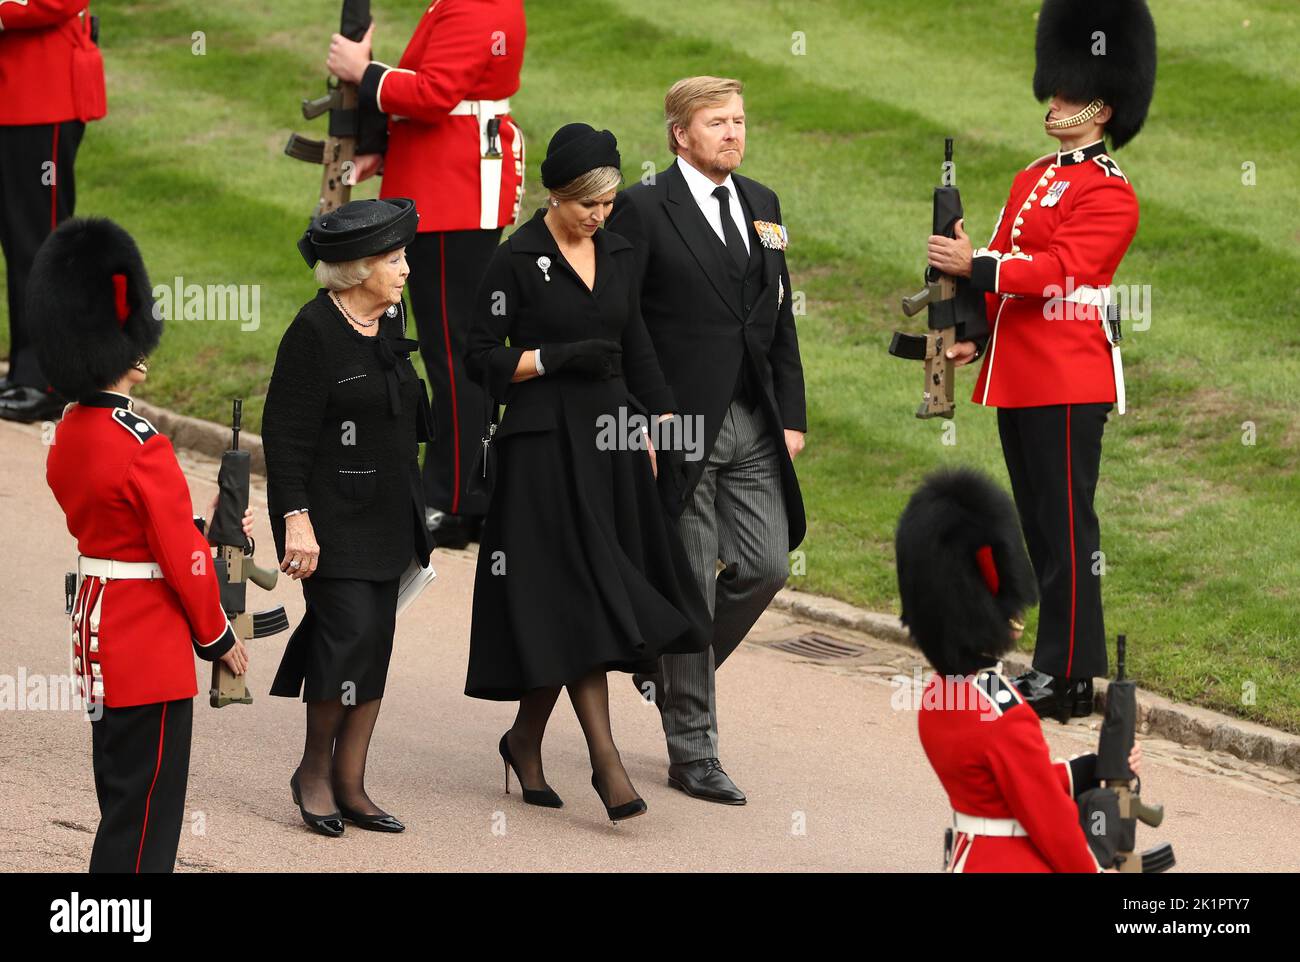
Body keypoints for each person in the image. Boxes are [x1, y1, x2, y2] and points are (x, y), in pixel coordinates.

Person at [463, 124, 710, 823]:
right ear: (556, 195)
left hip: (614, 443)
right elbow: (478, 356)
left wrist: (663, 422)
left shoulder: (621, 249)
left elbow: (638, 344)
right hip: (542, 449)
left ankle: (523, 739)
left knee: (589, 596)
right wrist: (549, 358)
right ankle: (608, 765)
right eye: (587, 206)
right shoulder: (516, 259)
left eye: (606, 204)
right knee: (579, 594)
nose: (599, 217)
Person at [926, 0, 1157, 720]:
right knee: (1040, 527)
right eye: (1052, 87)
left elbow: (1061, 272)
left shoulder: (1110, 193)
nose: (1054, 100)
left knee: (1067, 531)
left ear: (1103, 105)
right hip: (1021, 372)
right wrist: (976, 333)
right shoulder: (1033, 178)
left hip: (1067, 375)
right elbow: (1010, 268)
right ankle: (1056, 666)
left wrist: (979, 266)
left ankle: (1068, 676)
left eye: (1067, 91)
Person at [608, 76, 806, 804]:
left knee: (765, 565)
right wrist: (647, 416)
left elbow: (777, 318)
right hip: (679, 422)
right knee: (690, 580)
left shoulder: (762, 204)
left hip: (752, 417)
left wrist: (792, 415)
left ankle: (665, 660)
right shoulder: (642, 206)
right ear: (679, 134)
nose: (733, 132)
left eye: (739, 120)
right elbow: (625, 322)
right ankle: (694, 748)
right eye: (717, 122)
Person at [35, 217, 251, 872]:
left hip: (99, 635)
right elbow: (183, 566)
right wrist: (218, 637)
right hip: (147, 648)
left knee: (122, 802)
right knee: (145, 825)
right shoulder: (141, 444)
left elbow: (131, 527)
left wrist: (194, 520)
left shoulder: (70, 433)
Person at [326, 0, 527, 549]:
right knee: (456, 352)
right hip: (447, 187)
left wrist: (362, 71)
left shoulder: (474, 8)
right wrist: (381, 150)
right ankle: (470, 492)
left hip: (451, 197)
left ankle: (458, 501)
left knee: (456, 355)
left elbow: (434, 95)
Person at [263, 198, 434, 836]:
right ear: (357, 269)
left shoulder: (387, 320)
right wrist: (296, 519)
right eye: (394, 260)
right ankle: (313, 771)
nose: (406, 270)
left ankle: (353, 781)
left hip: (390, 515)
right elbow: (284, 435)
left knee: (374, 644)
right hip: (332, 520)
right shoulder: (314, 331)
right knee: (344, 640)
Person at [896, 468, 1143, 872]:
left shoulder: (938, 700)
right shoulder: (1003, 715)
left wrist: (1087, 768)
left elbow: (1010, 784)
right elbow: (1053, 824)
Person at [0, 1, 106, 423]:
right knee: (17, 239)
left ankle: (48, 378)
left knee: (37, 242)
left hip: (42, 97)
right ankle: (25, 370)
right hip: (15, 96)